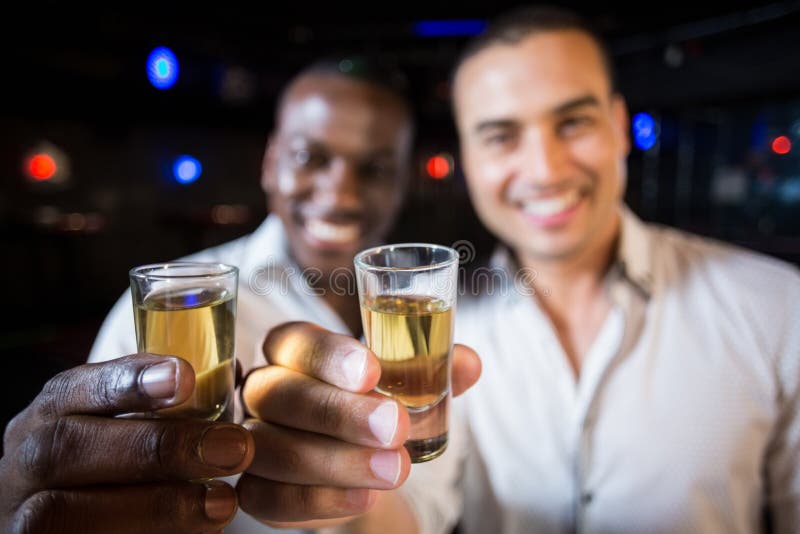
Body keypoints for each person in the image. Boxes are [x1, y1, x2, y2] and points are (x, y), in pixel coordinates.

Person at [225, 5, 800, 534]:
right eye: (501, 136)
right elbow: (410, 511)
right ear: (468, 159)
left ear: (619, 125)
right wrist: (337, 488)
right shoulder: (439, 329)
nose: (544, 169)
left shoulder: (777, 309)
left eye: (572, 123)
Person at [0, 56, 482, 532]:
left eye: (374, 169)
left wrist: (347, 492)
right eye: (310, 158)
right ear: (270, 163)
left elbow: (428, 507)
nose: (340, 194)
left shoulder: (437, 316)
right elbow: (92, 493)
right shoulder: (169, 306)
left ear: (403, 181)